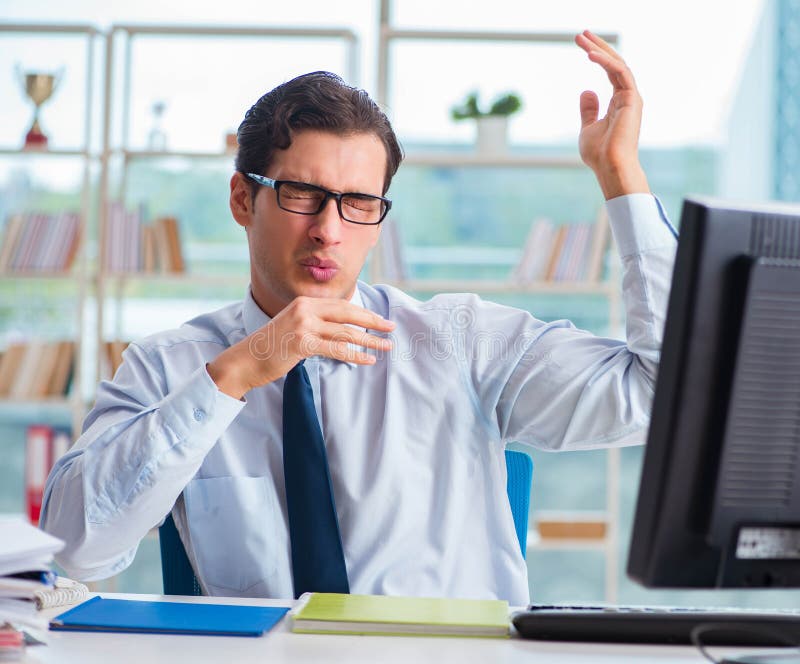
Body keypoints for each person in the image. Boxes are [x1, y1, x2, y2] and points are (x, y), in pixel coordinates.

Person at [41, 31, 677, 605]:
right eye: (302, 195)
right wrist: (234, 376)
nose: (328, 231)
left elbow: (658, 391)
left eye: (358, 203)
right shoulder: (172, 366)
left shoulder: (459, 342)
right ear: (243, 198)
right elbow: (73, 547)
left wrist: (620, 174)